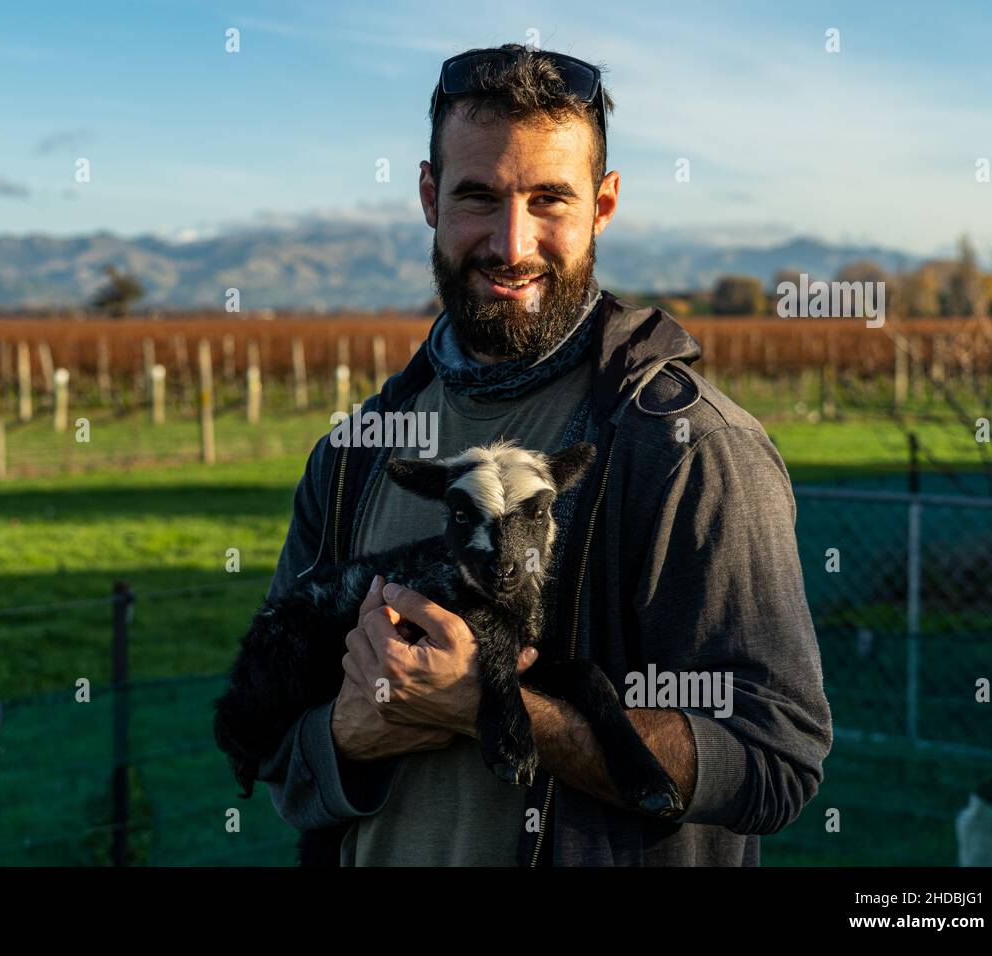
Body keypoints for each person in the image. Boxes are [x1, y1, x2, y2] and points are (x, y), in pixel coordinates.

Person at [252, 43, 832, 866]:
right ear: (429, 196)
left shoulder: (687, 450)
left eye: (549, 200)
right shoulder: (354, 455)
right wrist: (347, 732)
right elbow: (275, 751)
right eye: (478, 196)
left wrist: (493, 706)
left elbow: (775, 761)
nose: (511, 243)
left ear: (604, 206)